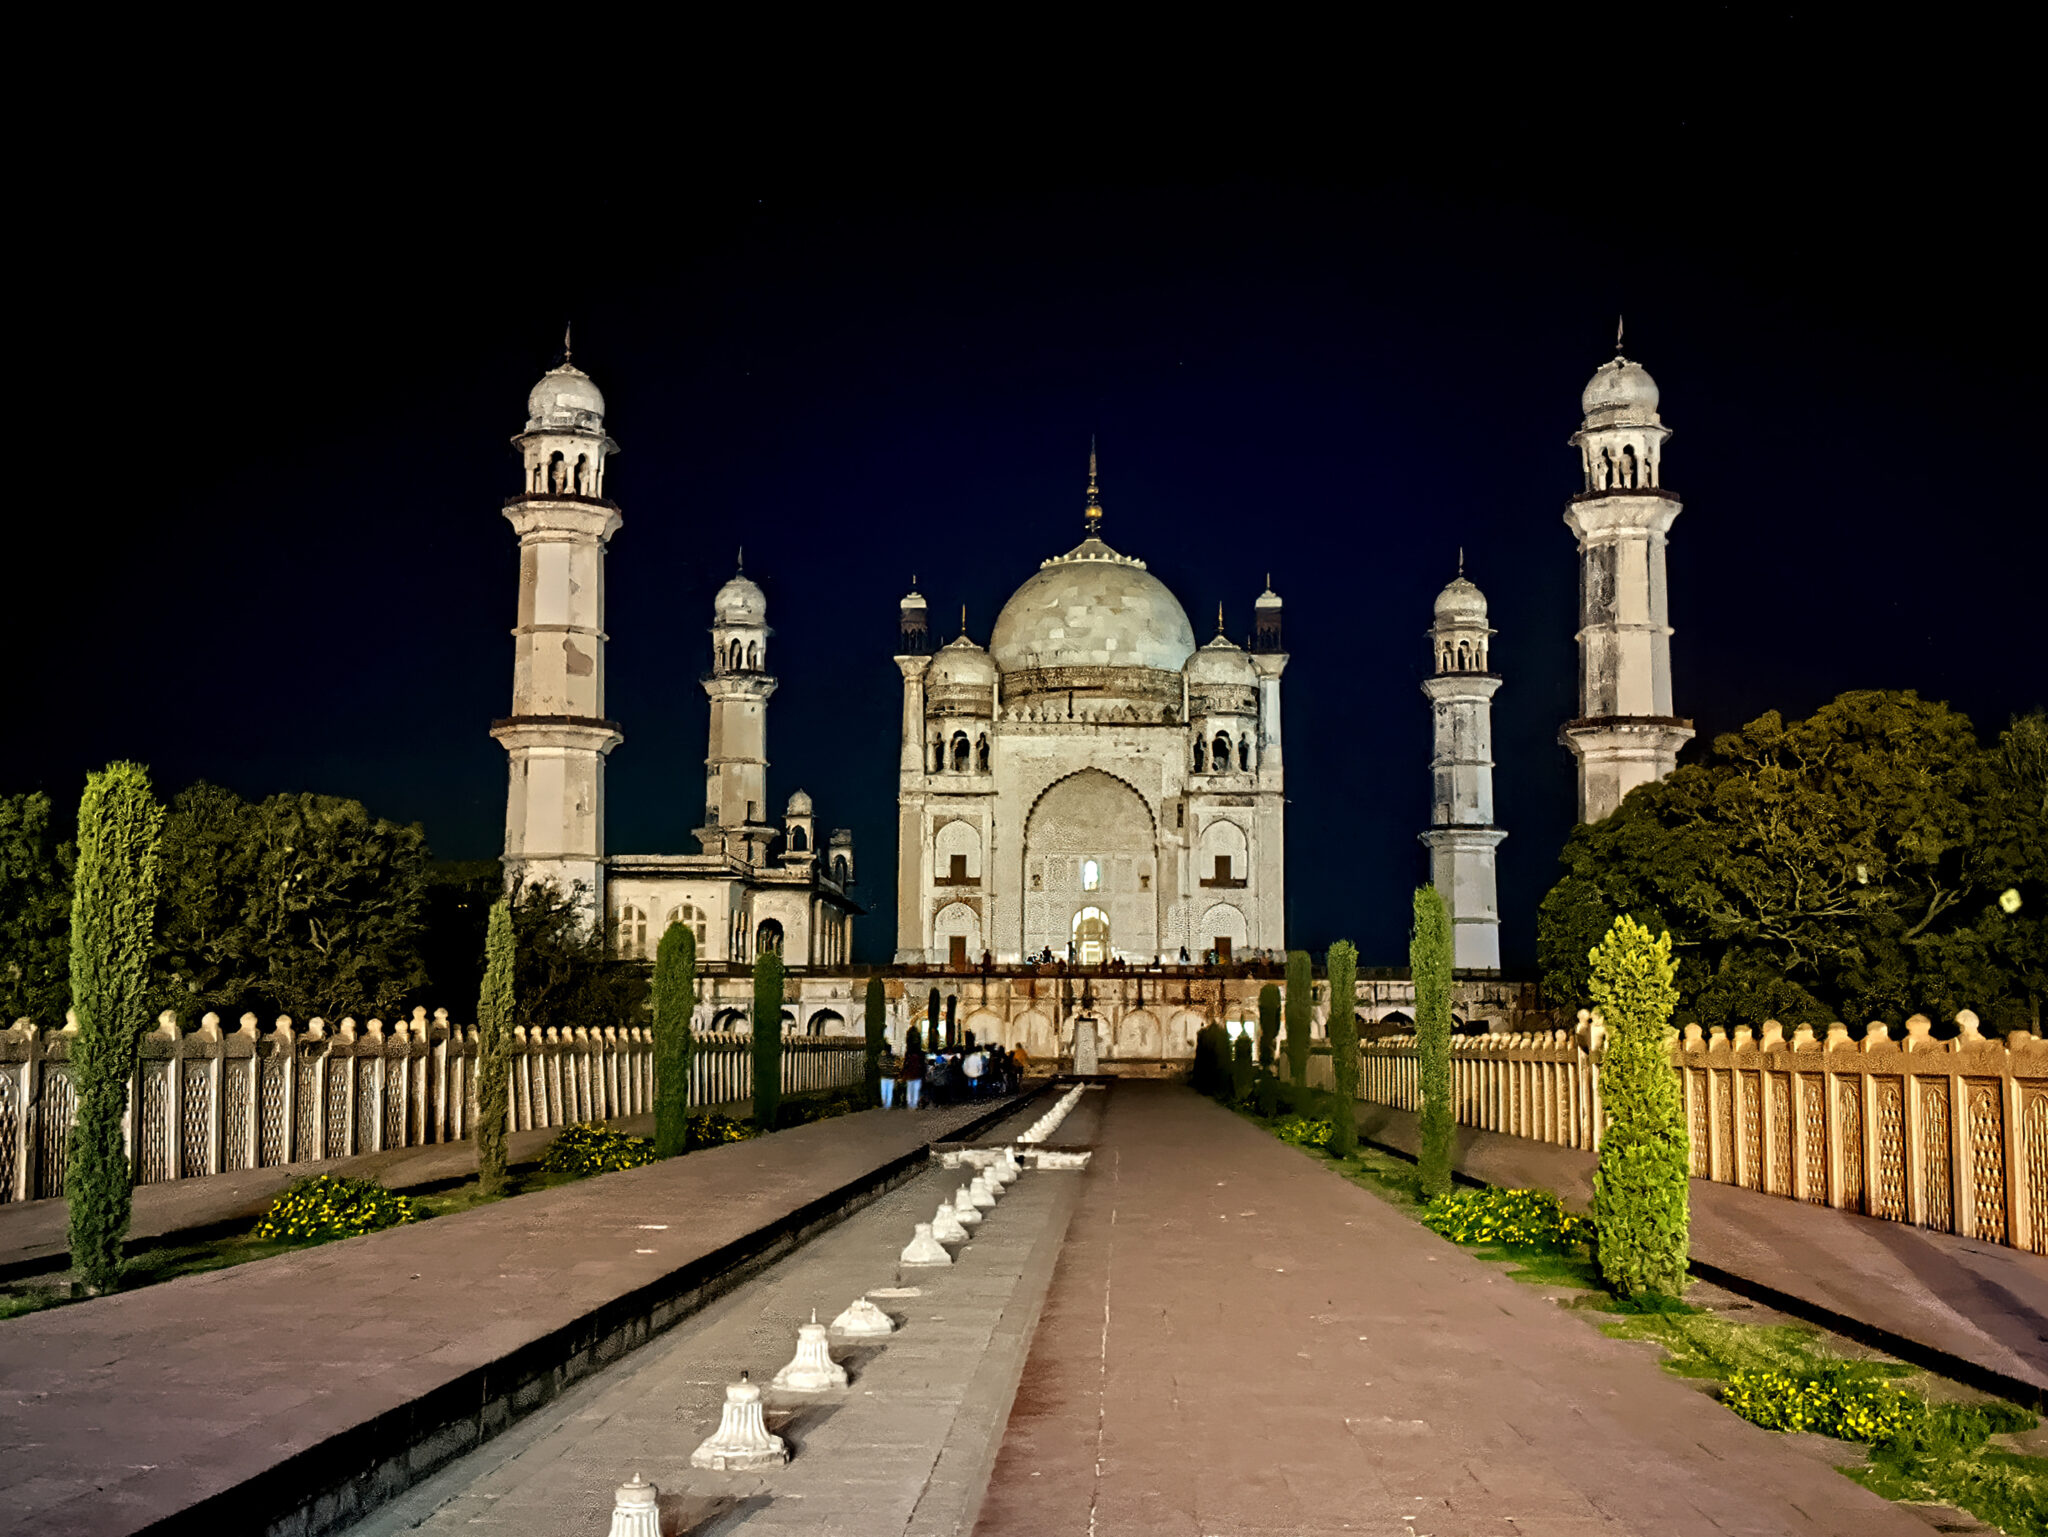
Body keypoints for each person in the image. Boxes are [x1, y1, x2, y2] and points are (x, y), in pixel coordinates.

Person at [900, 1031, 926, 1109]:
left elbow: (906, 1064)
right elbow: (923, 1064)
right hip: (917, 1073)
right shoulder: (920, 1053)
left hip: (911, 1073)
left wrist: (903, 1072)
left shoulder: (909, 1053)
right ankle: (917, 1101)